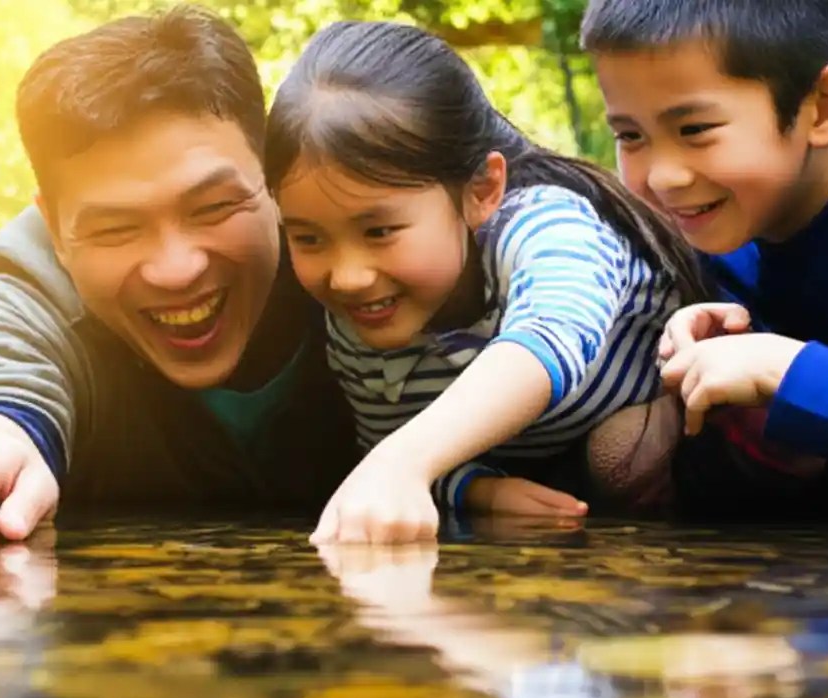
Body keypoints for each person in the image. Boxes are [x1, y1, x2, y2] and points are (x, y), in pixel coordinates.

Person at [0, 6, 590, 547]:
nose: (177, 269)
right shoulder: (36, 276)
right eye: (115, 228)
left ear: (275, 175)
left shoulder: (358, 248)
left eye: (215, 206)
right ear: (54, 227)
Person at [262, 21, 709, 544]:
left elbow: (550, 336)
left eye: (379, 231)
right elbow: (388, 445)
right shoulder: (356, 321)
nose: (349, 277)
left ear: (481, 189)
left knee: (621, 455)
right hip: (537, 476)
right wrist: (476, 491)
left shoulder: (547, 225)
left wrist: (404, 462)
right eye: (309, 239)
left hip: (663, 436)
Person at [581, 0, 828, 507]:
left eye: (694, 130)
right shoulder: (717, 235)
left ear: (824, 106)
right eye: (630, 135)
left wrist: (789, 371)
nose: (662, 176)